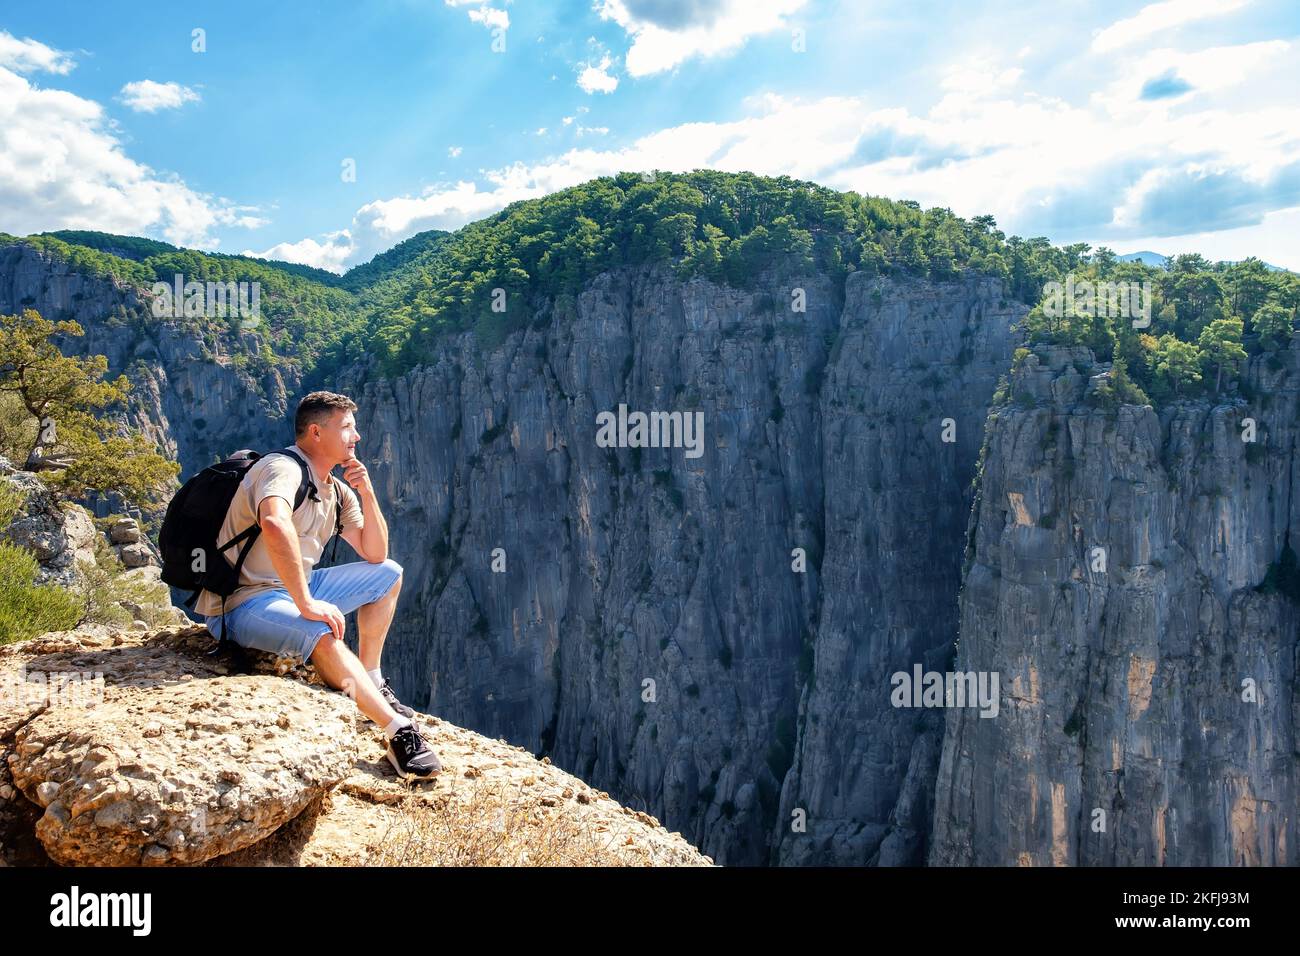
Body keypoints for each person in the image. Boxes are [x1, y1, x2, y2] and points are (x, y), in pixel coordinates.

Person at [194, 390, 441, 780]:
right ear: (315, 432)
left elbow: (374, 552)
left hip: (293, 588)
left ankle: (372, 678)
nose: (356, 436)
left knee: (388, 573)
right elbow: (275, 523)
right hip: (243, 603)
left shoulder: (335, 489)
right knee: (320, 629)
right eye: (346, 427)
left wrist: (367, 491)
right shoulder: (283, 469)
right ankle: (398, 732)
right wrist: (306, 601)